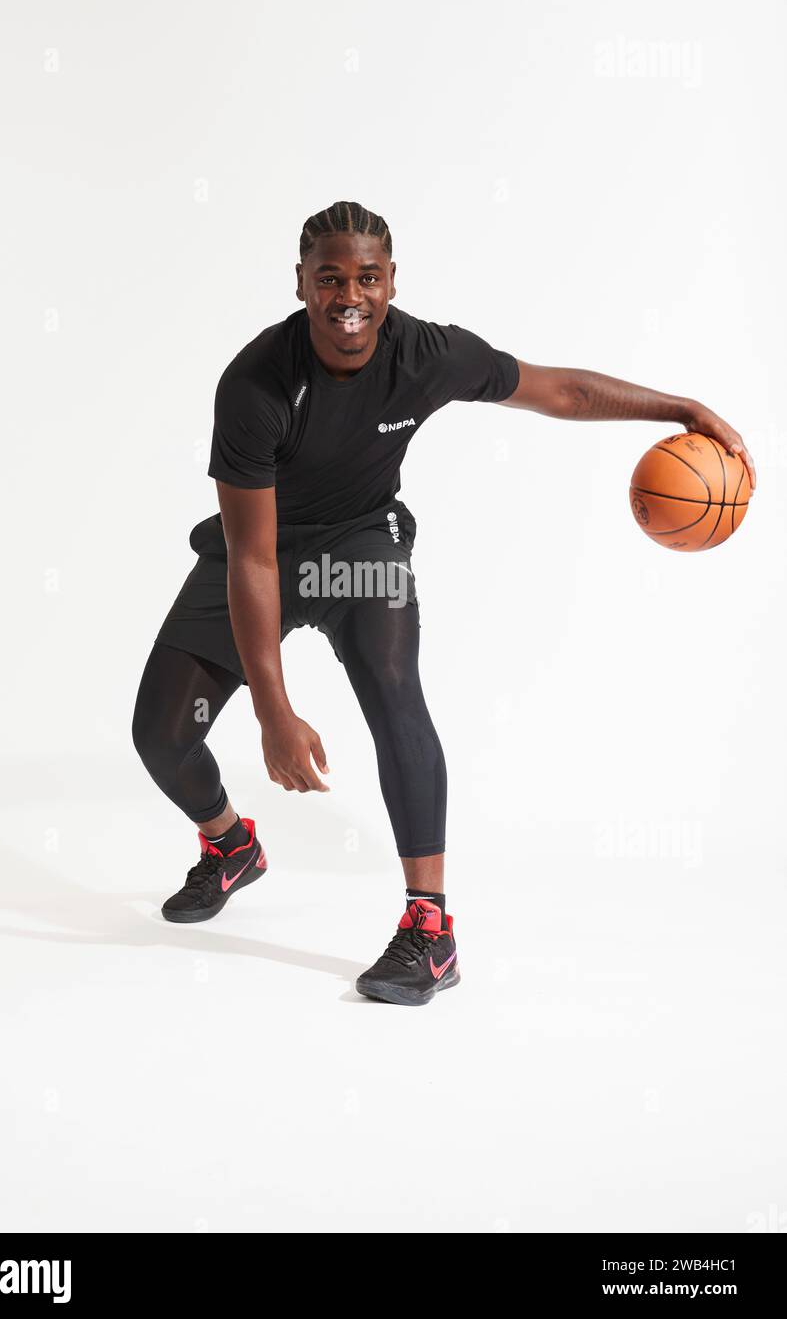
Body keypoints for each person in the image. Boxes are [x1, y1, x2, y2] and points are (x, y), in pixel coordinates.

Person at [132, 200, 756, 1007]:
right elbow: (252, 556)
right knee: (161, 735)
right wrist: (274, 713)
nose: (347, 296)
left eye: (366, 277)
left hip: (360, 548)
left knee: (394, 694)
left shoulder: (427, 354)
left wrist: (677, 407)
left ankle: (428, 931)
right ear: (300, 285)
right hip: (265, 553)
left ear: (390, 282)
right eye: (328, 279)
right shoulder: (256, 384)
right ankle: (229, 847)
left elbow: (558, 391)